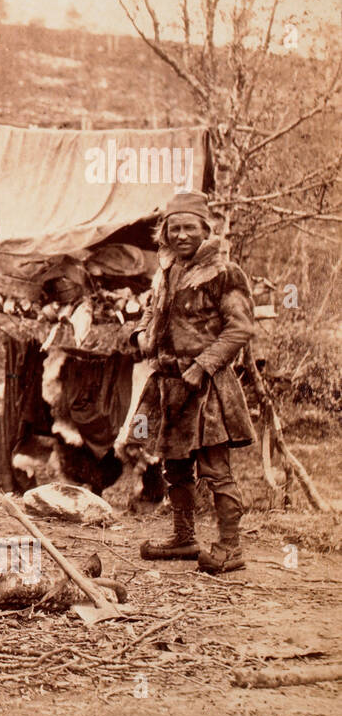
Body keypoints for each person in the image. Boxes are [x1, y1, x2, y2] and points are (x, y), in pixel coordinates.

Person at [132, 191, 256, 574]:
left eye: (190, 227)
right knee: (175, 466)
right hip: (168, 383)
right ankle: (184, 538)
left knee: (216, 469)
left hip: (206, 386)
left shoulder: (223, 272)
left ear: (206, 229)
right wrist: (140, 334)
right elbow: (150, 312)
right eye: (175, 228)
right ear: (164, 233)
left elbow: (240, 328)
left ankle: (230, 547)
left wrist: (202, 366)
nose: (182, 235)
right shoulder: (165, 271)